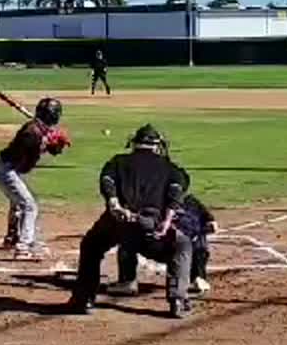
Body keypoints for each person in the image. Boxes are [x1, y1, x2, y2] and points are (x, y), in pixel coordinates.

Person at [68, 124, 201, 318]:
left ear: (134, 144)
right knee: (182, 245)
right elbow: (176, 192)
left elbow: (107, 180)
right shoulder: (171, 169)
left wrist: (114, 205)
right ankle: (178, 300)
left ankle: (83, 299)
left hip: (117, 222)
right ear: (157, 146)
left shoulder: (118, 161)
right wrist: (167, 221)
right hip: (150, 223)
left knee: (91, 245)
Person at [0, 97, 70, 260]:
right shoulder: (31, 133)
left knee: (18, 203)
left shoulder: (37, 130)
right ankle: (23, 247)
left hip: (7, 168)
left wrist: (51, 143)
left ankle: (12, 238)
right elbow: (28, 163)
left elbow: (49, 149)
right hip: (5, 170)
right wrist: (49, 143)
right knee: (29, 205)